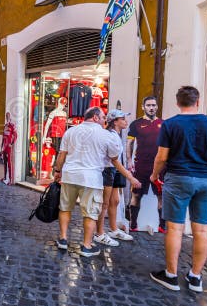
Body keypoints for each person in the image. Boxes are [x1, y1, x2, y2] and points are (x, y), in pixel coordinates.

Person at [149, 86, 207, 293]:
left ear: (177, 102)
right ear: (198, 101)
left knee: (175, 228)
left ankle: (171, 275)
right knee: (201, 229)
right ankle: (195, 277)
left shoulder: (170, 124)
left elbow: (161, 157)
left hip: (178, 177)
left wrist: (154, 175)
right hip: (206, 180)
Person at [51, 108, 141, 257]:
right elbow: (114, 159)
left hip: (70, 175)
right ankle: (86, 246)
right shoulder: (105, 135)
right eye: (102, 117)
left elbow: (62, 155)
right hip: (91, 179)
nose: (104, 120)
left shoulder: (71, 131)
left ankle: (63, 238)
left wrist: (58, 171)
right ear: (95, 117)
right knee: (90, 213)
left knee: (65, 208)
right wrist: (130, 177)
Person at [95, 109, 136, 246]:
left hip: (112, 170)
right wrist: (130, 176)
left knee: (115, 201)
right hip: (107, 169)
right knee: (104, 203)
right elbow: (114, 160)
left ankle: (113, 229)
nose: (126, 121)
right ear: (115, 121)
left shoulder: (115, 134)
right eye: (123, 119)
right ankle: (99, 233)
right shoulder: (110, 135)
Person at [126, 96, 163, 232]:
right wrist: (129, 160)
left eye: (153, 105)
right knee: (136, 195)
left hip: (159, 167)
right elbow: (129, 143)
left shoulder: (163, 124)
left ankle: (162, 226)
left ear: (157, 107)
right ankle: (133, 225)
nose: (151, 108)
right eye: (148, 105)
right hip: (141, 164)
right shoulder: (136, 124)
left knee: (161, 196)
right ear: (143, 107)